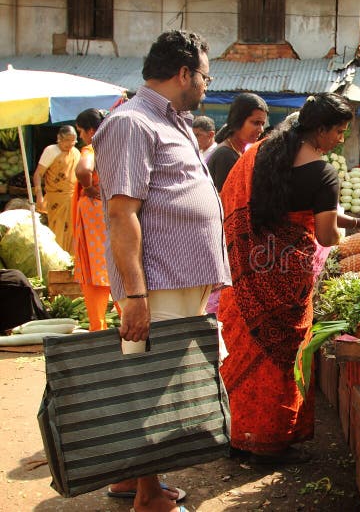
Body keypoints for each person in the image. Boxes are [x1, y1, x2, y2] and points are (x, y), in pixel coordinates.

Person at [93, 29, 228, 512]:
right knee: (154, 383)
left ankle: (138, 483)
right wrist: (135, 295)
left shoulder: (173, 120)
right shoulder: (132, 123)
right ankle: (149, 497)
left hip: (179, 277)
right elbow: (121, 214)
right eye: (205, 76)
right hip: (157, 281)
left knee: (157, 379)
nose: (208, 86)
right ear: (184, 73)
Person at [217, 93, 360, 465]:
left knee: (246, 351)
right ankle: (271, 443)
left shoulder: (259, 155)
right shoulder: (323, 173)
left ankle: (237, 434)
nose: (341, 138)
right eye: (338, 131)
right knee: (282, 357)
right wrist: (347, 235)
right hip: (288, 278)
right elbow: (326, 237)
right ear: (320, 130)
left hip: (246, 271)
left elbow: (231, 208)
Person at [71, 108, 112, 331]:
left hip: (94, 215)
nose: (80, 137)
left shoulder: (91, 147)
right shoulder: (113, 146)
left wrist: (87, 187)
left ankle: (99, 327)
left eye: (80, 131)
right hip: (111, 211)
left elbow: (84, 169)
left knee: (95, 270)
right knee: (115, 269)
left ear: (89, 130)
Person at [206, 93, 268, 191]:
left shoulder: (239, 151)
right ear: (238, 120)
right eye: (256, 123)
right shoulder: (225, 155)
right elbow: (228, 200)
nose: (261, 130)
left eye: (262, 124)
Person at [32, 125, 80, 253]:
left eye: (73, 141)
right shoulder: (51, 151)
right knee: (57, 232)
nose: (70, 144)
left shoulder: (76, 152)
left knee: (74, 233)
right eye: (67, 140)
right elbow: (38, 174)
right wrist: (39, 196)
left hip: (73, 198)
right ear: (59, 138)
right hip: (56, 200)